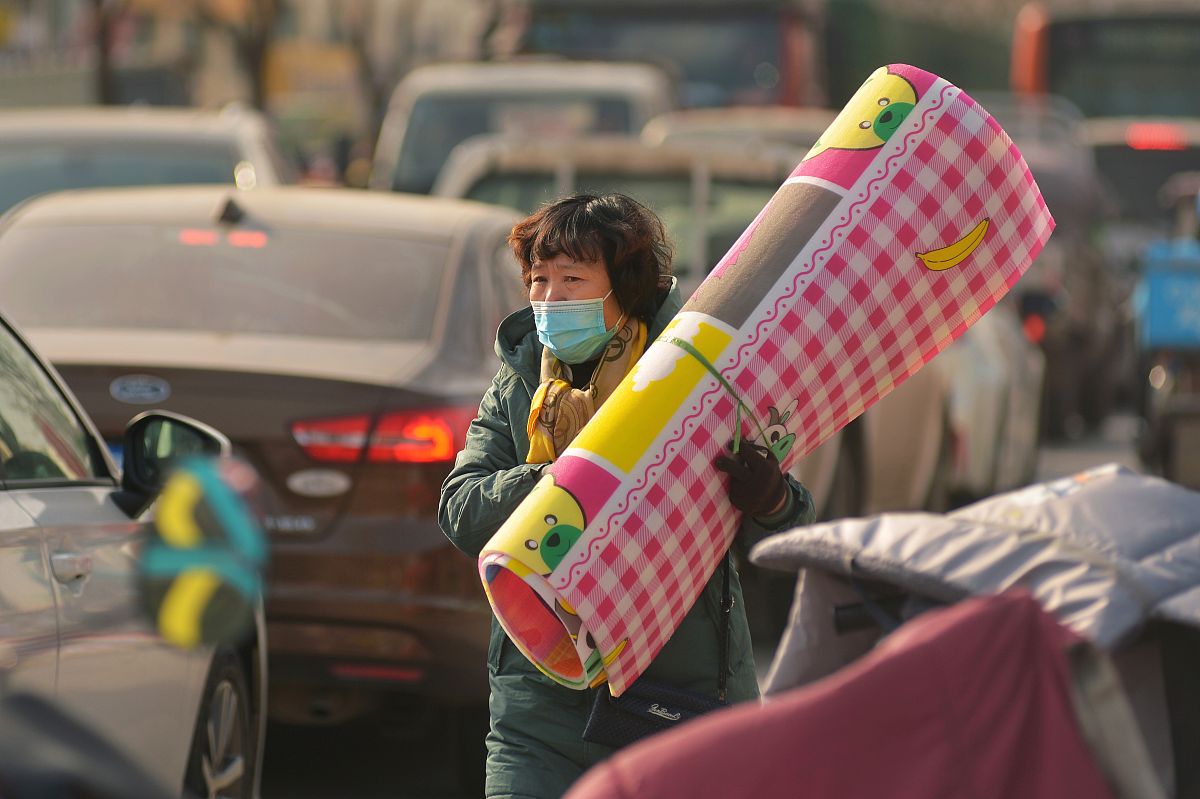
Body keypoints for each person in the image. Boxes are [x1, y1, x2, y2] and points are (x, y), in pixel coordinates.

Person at [438, 193, 815, 799]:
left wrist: (768, 497)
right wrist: (564, 478)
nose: (549, 301)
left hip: (677, 700)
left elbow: (792, 533)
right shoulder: (518, 384)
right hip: (539, 708)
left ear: (625, 290)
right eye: (538, 281)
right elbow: (460, 510)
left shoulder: (698, 379)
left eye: (572, 280)